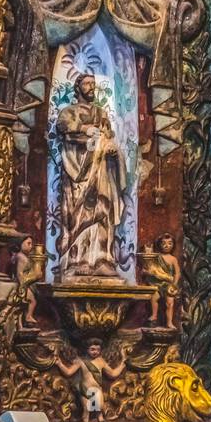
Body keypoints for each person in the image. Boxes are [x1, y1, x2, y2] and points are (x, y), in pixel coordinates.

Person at [54, 73, 125, 281]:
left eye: (93, 84)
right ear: (78, 87)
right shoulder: (69, 112)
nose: (91, 87)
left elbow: (107, 135)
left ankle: (102, 259)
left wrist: (110, 147)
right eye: (87, 83)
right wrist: (86, 129)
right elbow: (63, 127)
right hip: (78, 170)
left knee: (103, 210)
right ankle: (78, 260)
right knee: (80, 215)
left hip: (101, 169)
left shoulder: (101, 113)